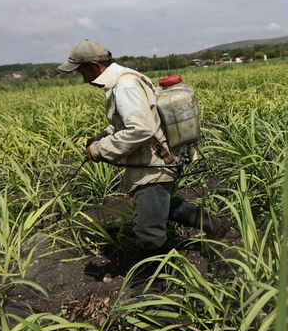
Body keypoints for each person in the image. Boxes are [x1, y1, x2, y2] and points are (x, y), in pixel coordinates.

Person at [57, 39, 226, 255]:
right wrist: (100, 137)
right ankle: (214, 224)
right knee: (160, 204)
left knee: (148, 233)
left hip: (154, 163)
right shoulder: (126, 78)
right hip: (157, 159)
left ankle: (166, 276)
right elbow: (129, 123)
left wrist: (99, 150)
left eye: (82, 72)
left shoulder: (124, 86)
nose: (83, 79)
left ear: (93, 66)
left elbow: (140, 129)